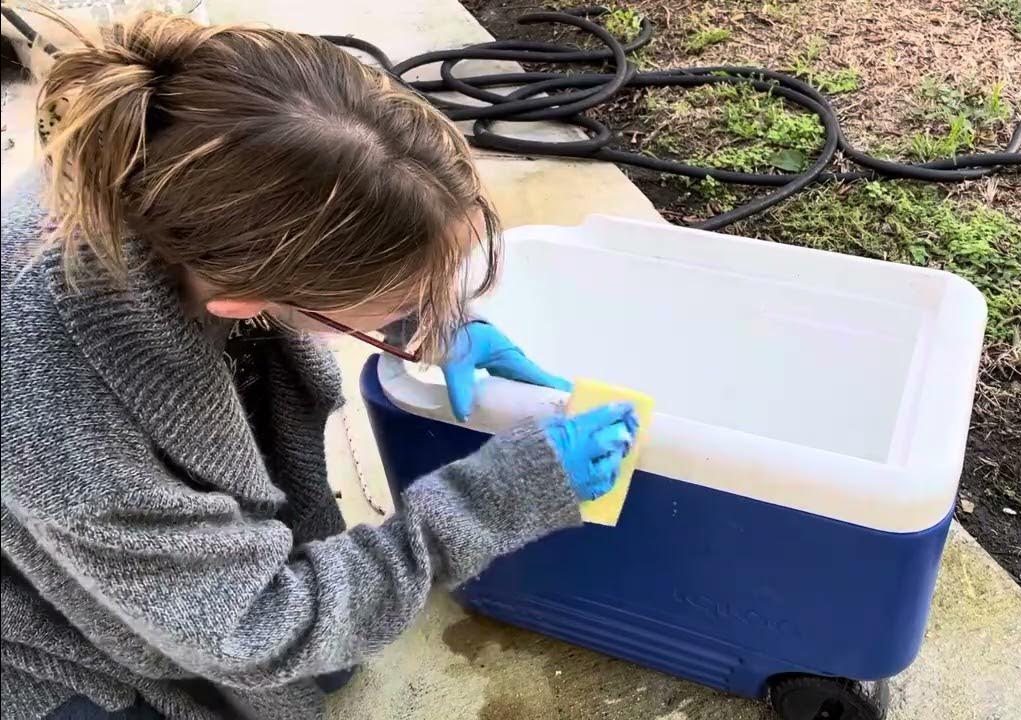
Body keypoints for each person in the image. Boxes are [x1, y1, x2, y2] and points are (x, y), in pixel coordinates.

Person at [0, 11, 638, 720]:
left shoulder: (163, 168)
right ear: (247, 302)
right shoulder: (52, 414)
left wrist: (426, 324)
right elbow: (251, 628)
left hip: (137, 550)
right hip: (59, 635)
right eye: (402, 295)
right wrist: (489, 503)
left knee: (329, 661)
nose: (428, 304)